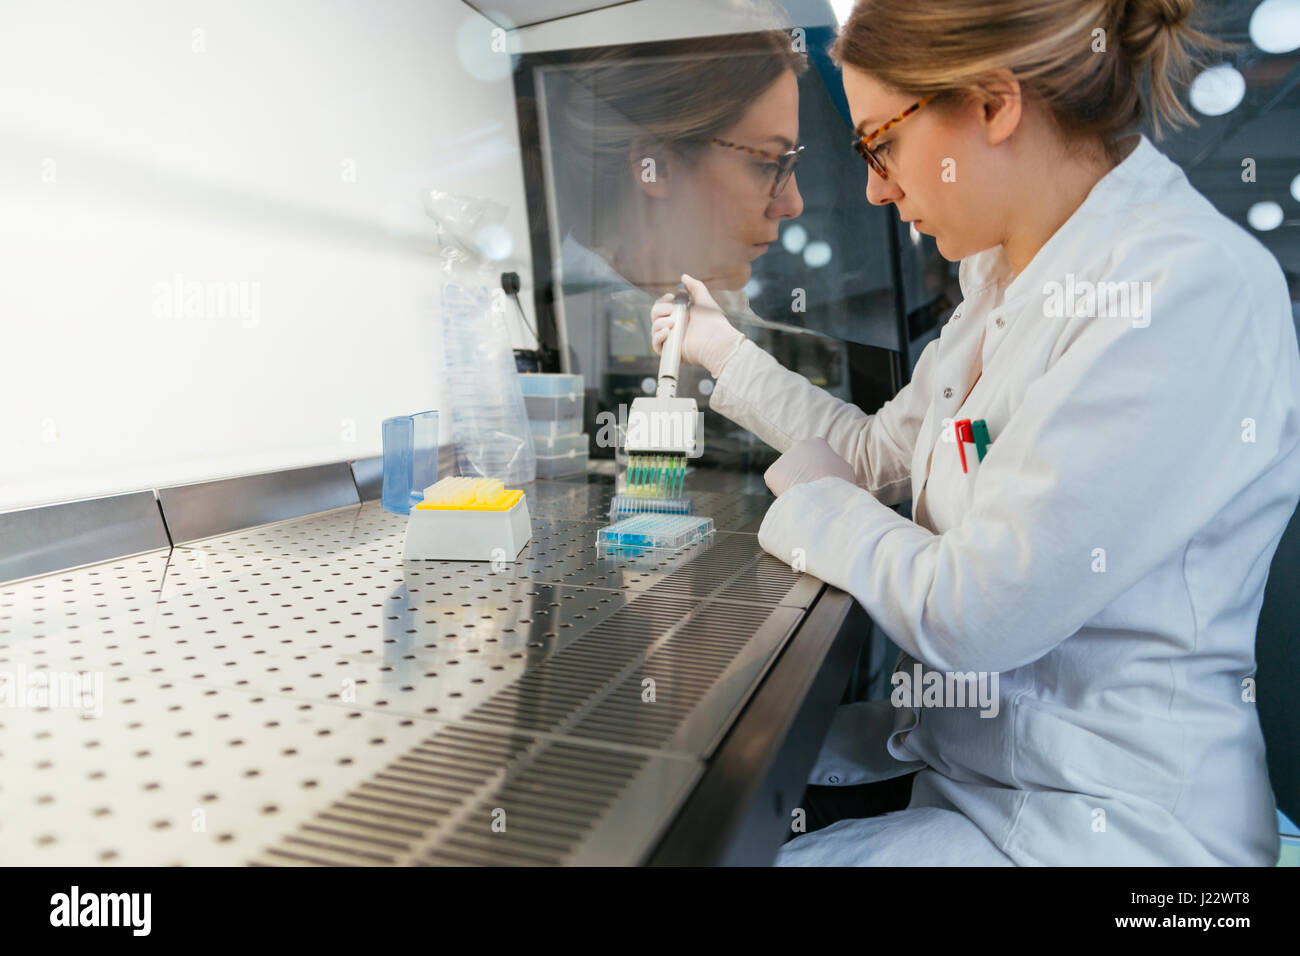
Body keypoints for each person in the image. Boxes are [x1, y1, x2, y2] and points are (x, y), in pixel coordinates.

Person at [651, 0, 1300, 865]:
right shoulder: (1002, 279)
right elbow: (881, 454)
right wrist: (721, 352)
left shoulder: (1182, 290)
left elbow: (980, 611)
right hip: (977, 776)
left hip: (1116, 833)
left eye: (881, 141)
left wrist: (811, 506)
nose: (876, 187)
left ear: (995, 103)